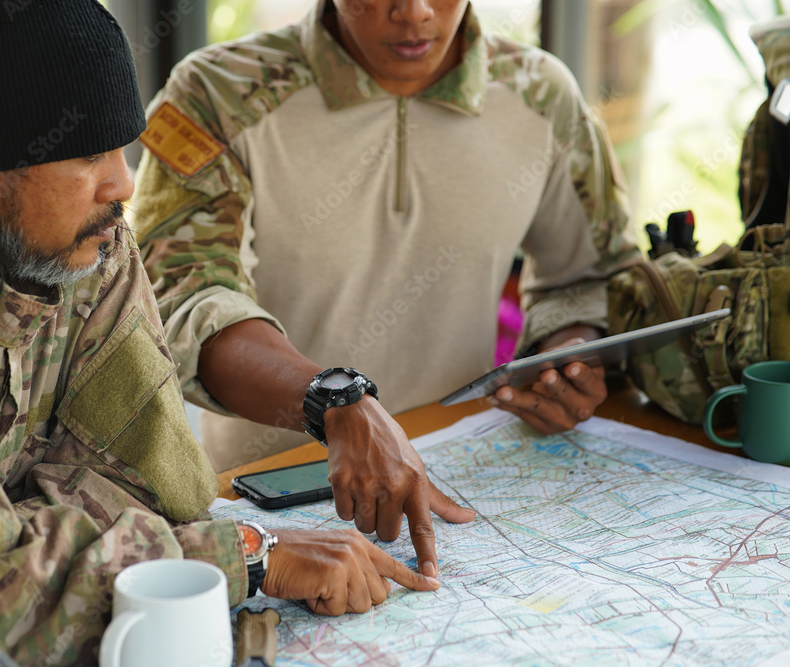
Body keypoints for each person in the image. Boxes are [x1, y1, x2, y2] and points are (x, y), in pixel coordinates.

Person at [0, 2, 443, 664]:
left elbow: (165, 494)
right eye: (87, 153)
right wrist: (244, 557)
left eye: (121, 144)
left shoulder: (87, 237)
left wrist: (4, 540)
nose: (123, 182)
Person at [131, 0, 642, 577]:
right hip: (276, 504)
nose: (415, 13)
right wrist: (333, 403)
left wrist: (562, 359)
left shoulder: (541, 92)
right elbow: (177, 299)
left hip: (472, 489)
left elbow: (591, 274)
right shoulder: (218, 93)